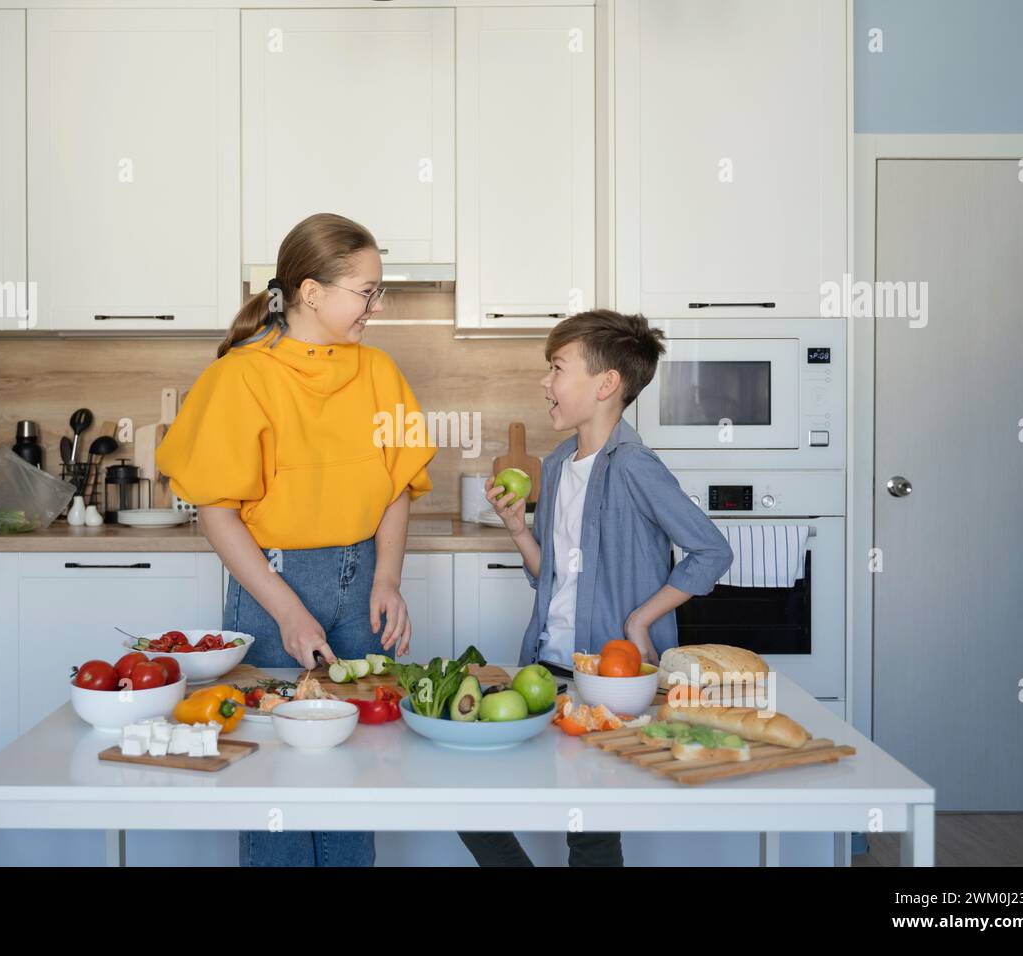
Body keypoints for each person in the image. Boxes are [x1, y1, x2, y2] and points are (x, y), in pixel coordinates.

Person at [156, 213, 435, 867]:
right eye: (366, 290)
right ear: (311, 291)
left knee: (355, 772)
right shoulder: (240, 377)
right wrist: (286, 609)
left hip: (362, 583)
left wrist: (387, 578)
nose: (376, 304)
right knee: (274, 776)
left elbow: (396, 485)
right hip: (269, 592)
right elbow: (216, 513)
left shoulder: (378, 373)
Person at [459, 309, 733, 867]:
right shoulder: (558, 463)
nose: (545, 383)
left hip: (610, 681)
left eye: (557, 368)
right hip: (542, 670)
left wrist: (639, 622)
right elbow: (552, 579)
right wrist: (517, 528)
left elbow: (712, 551)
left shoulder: (634, 466)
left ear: (606, 384)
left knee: (589, 829)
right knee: (472, 802)